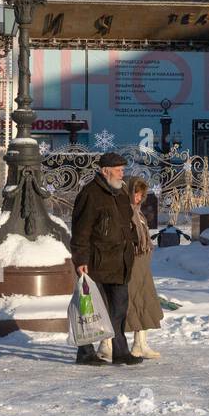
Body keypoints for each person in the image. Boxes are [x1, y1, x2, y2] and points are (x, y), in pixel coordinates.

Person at [70, 151, 143, 366]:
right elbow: (81, 230)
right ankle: (85, 352)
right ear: (105, 171)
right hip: (97, 262)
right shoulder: (90, 194)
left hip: (120, 263)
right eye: (119, 170)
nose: (123, 174)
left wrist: (133, 241)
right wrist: (80, 259)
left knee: (119, 310)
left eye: (123, 170)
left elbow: (126, 223)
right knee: (92, 309)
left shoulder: (120, 194)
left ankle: (120, 351)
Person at [125, 177, 164, 359]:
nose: (139, 198)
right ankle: (108, 344)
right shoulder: (125, 213)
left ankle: (141, 344)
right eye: (136, 193)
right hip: (131, 266)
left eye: (141, 194)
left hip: (142, 267)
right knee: (129, 305)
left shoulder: (138, 213)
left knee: (145, 303)